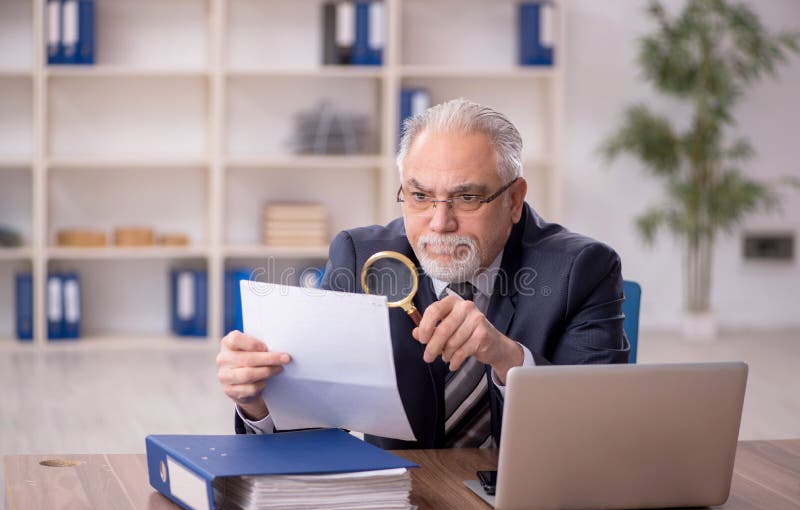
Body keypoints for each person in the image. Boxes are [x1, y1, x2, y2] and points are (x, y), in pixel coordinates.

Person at [216, 98, 629, 449]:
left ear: (515, 200)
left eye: (466, 197)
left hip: (534, 502)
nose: (439, 223)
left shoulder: (583, 269)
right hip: (401, 502)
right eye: (419, 196)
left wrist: (506, 357)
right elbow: (314, 432)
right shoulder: (361, 257)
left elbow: (598, 430)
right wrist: (258, 403)